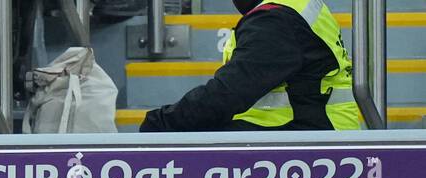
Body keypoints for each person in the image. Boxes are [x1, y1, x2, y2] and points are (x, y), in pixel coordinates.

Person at [141, 0, 360, 133]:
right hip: (314, 132)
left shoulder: (276, 19)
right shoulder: (292, 8)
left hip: (309, 139)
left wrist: (159, 123)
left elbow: (227, 95)